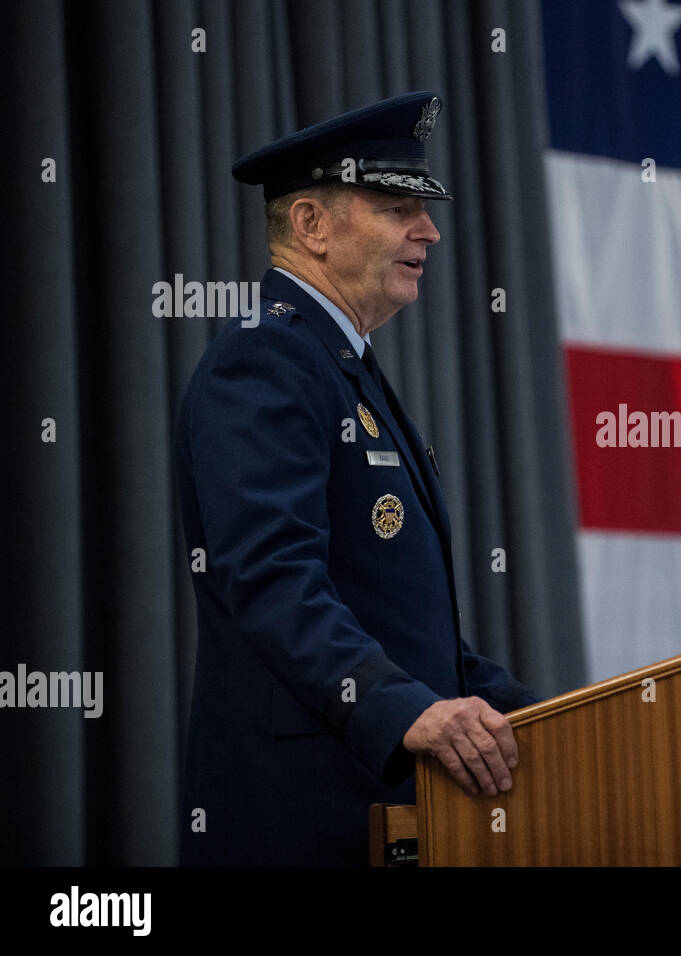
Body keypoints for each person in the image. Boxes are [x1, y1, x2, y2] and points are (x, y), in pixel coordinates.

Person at [173, 92, 541, 866]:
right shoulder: (266, 359)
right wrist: (403, 710)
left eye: (424, 209)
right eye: (396, 206)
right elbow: (274, 581)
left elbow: (410, 630)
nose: (429, 230)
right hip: (305, 822)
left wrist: (550, 719)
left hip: (387, 817)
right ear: (310, 225)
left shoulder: (343, 366)